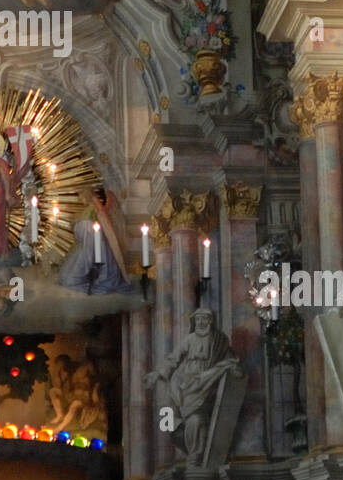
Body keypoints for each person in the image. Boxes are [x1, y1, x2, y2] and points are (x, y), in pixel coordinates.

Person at [145, 308, 241, 463]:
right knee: (182, 414)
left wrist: (234, 366)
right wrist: (157, 374)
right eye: (198, 320)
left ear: (210, 321)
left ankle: (197, 452)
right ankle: (193, 450)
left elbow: (228, 355)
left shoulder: (219, 340)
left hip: (207, 380)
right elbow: (173, 358)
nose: (201, 322)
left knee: (196, 418)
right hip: (185, 382)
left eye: (204, 319)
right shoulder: (189, 340)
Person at [58, 186, 131, 292]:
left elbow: (102, 212)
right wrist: (109, 203)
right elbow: (103, 212)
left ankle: (80, 277)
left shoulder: (92, 205)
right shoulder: (92, 206)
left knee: (91, 253)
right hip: (89, 228)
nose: (81, 198)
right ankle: (82, 277)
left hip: (88, 228)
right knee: (91, 254)